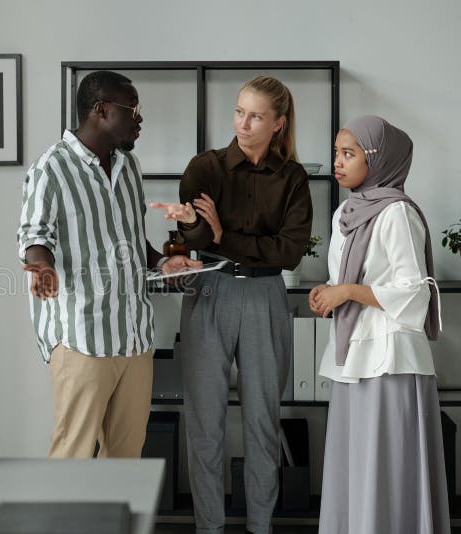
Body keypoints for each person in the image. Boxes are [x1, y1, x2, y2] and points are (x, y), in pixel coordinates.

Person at [151, 76, 313, 534]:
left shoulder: (292, 177)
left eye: (256, 116)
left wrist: (223, 235)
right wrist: (200, 229)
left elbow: (289, 253)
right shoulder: (205, 168)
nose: (243, 123)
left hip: (266, 296)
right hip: (210, 290)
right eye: (239, 112)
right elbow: (199, 238)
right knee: (205, 423)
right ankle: (209, 527)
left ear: (278, 123)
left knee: (263, 421)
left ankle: (261, 526)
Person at [17, 70, 200, 459]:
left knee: (125, 459)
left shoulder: (128, 167)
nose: (139, 117)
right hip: (83, 338)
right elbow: (34, 237)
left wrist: (163, 263)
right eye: (132, 108)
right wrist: (42, 268)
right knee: (73, 454)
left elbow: (132, 241)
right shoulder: (51, 168)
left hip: (134, 337)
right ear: (101, 110)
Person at [312, 116, 450, 534]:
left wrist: (348, 291)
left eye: (349, 153)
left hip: (390, 362)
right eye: (337, 152)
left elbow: (414, 293)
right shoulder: (346, 213)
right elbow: (349, 280)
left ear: (378, 160)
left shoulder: (396, 213)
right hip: (354, 358)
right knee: (356, 469)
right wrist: (330, 291)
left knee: (387, 470)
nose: (338, 162)